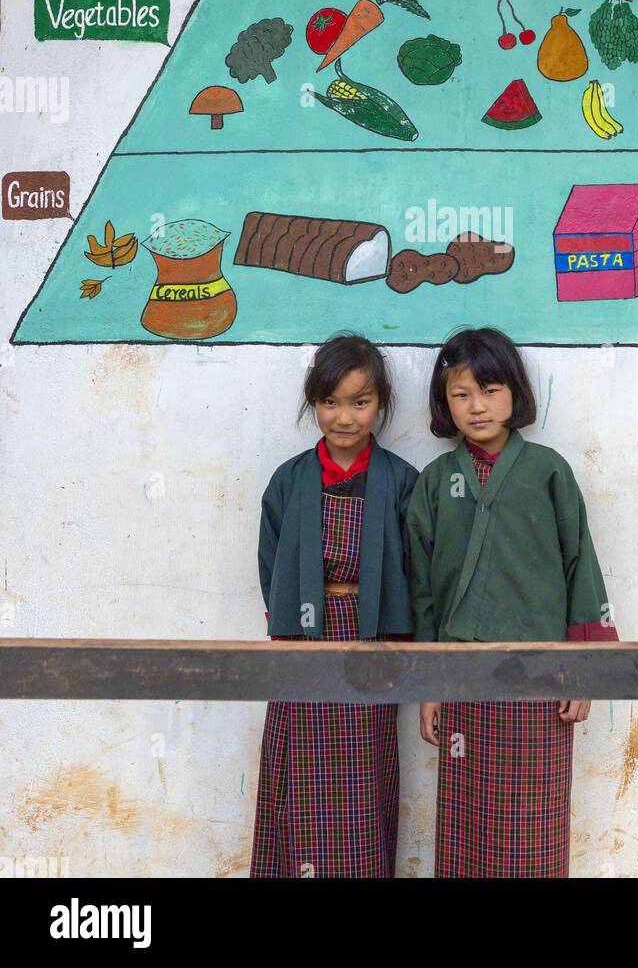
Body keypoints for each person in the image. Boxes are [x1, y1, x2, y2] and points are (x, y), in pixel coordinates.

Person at [406, 326, 619, 878]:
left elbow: (581, 566)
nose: (477, 406)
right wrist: (430, 683)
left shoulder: (548, 471)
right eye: (461, 394)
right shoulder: (434, 484)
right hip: (461, 675)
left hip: (541, 676)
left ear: (515, 394)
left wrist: (582, 669)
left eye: (491, 389)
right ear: (443, 401)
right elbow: (423, 593)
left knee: (533, 823)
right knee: (466, 822)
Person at [250, 333, 417, 878]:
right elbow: (271, 564)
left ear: (381, 405)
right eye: (330, 402)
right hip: (301, 646)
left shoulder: (400, 482)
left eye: (360, 402)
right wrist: (286, 639)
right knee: (296, 778)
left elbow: (416, 569)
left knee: (362, 783)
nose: (344, 418)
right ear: (313, 401)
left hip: (371, 644)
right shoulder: (289, 480)